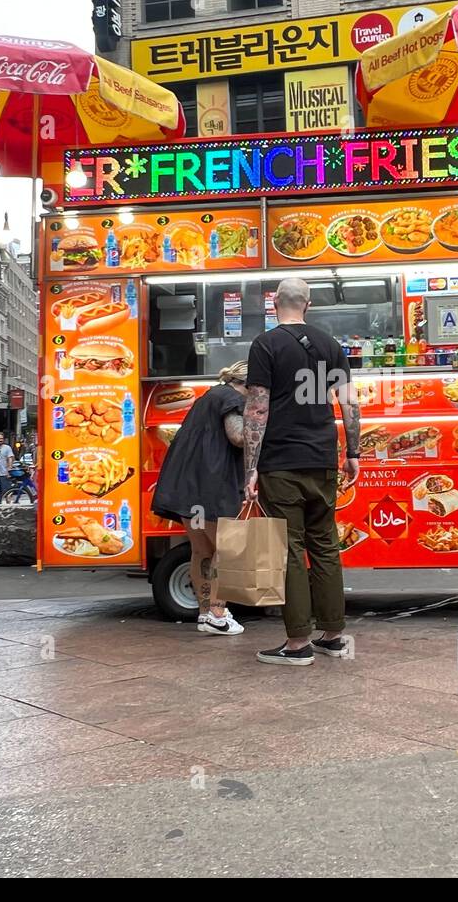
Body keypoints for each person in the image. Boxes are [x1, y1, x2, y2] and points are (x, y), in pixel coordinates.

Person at [243, 278, 360, 666]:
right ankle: (334, 635)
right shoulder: (330, 345)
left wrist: (251, 468)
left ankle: (297, 644)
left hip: (281, 460)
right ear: (307, 305)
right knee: (325, 544)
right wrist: (353, 453)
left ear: (275, 303)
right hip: (323, 457)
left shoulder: (265, 345)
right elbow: (350, 403)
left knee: (291, 548)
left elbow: (257, 409)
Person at [151, 362, 249, 636]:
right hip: (213, 486)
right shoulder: (232, 399)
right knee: (226, 551)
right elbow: (238, 436)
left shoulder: (209, 396)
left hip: (188, 485)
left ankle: (205, 613)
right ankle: (218, 613)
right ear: (248, 384)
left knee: (202, 551)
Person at [0, 432, 14, 502]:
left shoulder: (7, 448)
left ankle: (9, 504)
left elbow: (10, 458)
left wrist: (9, 469)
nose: (0, 440)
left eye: (2, 438)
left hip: (4, 473)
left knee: (8, 491)